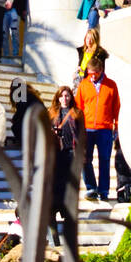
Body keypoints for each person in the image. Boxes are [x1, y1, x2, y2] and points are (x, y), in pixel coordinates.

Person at [75, 54, 119, 203]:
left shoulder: (111, 85)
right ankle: (91, 187)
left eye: (95, 74)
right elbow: (78, 108)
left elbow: (116, 108)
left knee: (104, 160)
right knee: (84, 160)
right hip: (86, 130)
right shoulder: (83, 85)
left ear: (101, 71)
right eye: (90, 74)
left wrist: (116, 127)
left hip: (105, 129)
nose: (92, 77)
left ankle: (104, 190)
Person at [48, 86, 83, 246]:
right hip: (55, 156)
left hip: (71, 153)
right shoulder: (52, 113)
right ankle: (55, 232)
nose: (65, 98)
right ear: (58, 97)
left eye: (67, 96)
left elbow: (83, 134)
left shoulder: (77, 112)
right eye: (62, 96)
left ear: (71, 97)